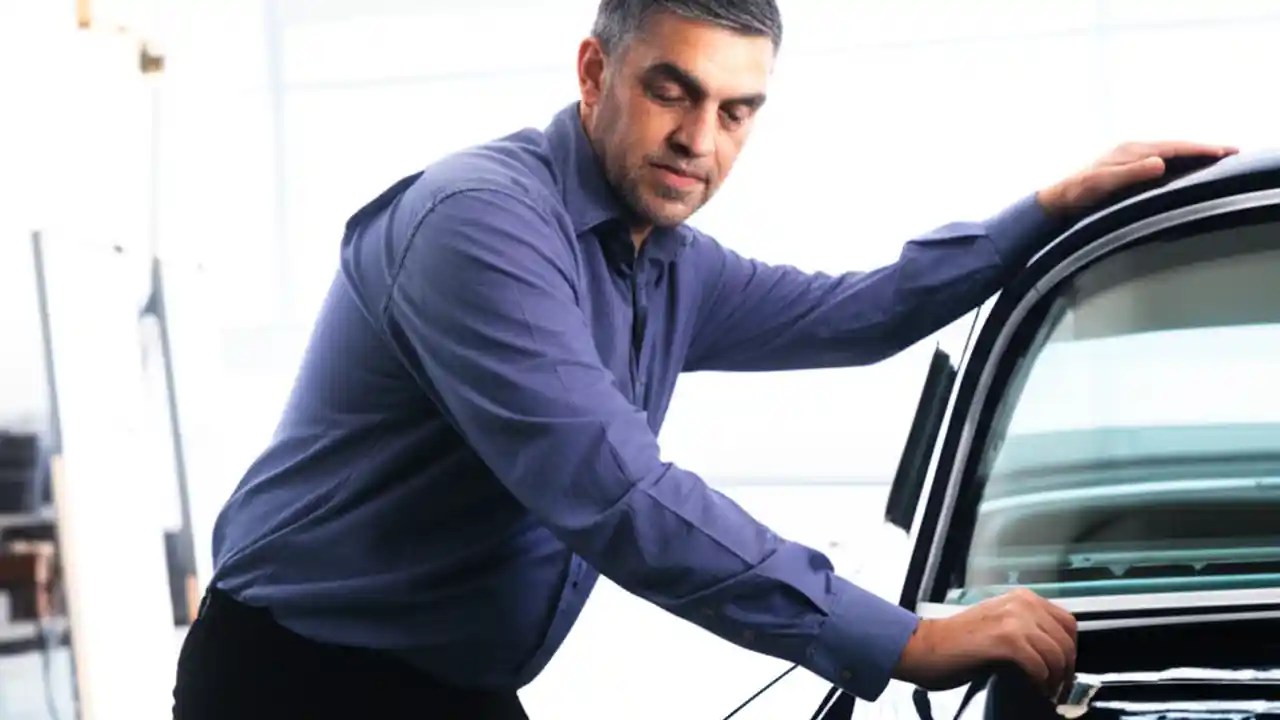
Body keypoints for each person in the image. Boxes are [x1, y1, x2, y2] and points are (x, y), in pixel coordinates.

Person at [170, 1, 1237, 718]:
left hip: (451, 687)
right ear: (595, 72)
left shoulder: (664, 259)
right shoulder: (477, 226)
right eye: (672, 92)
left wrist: (1041, 213)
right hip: (297, 678)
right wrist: (905, 642)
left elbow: (855, 314)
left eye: (735, 111)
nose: (700, 140)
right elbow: (611, 494)